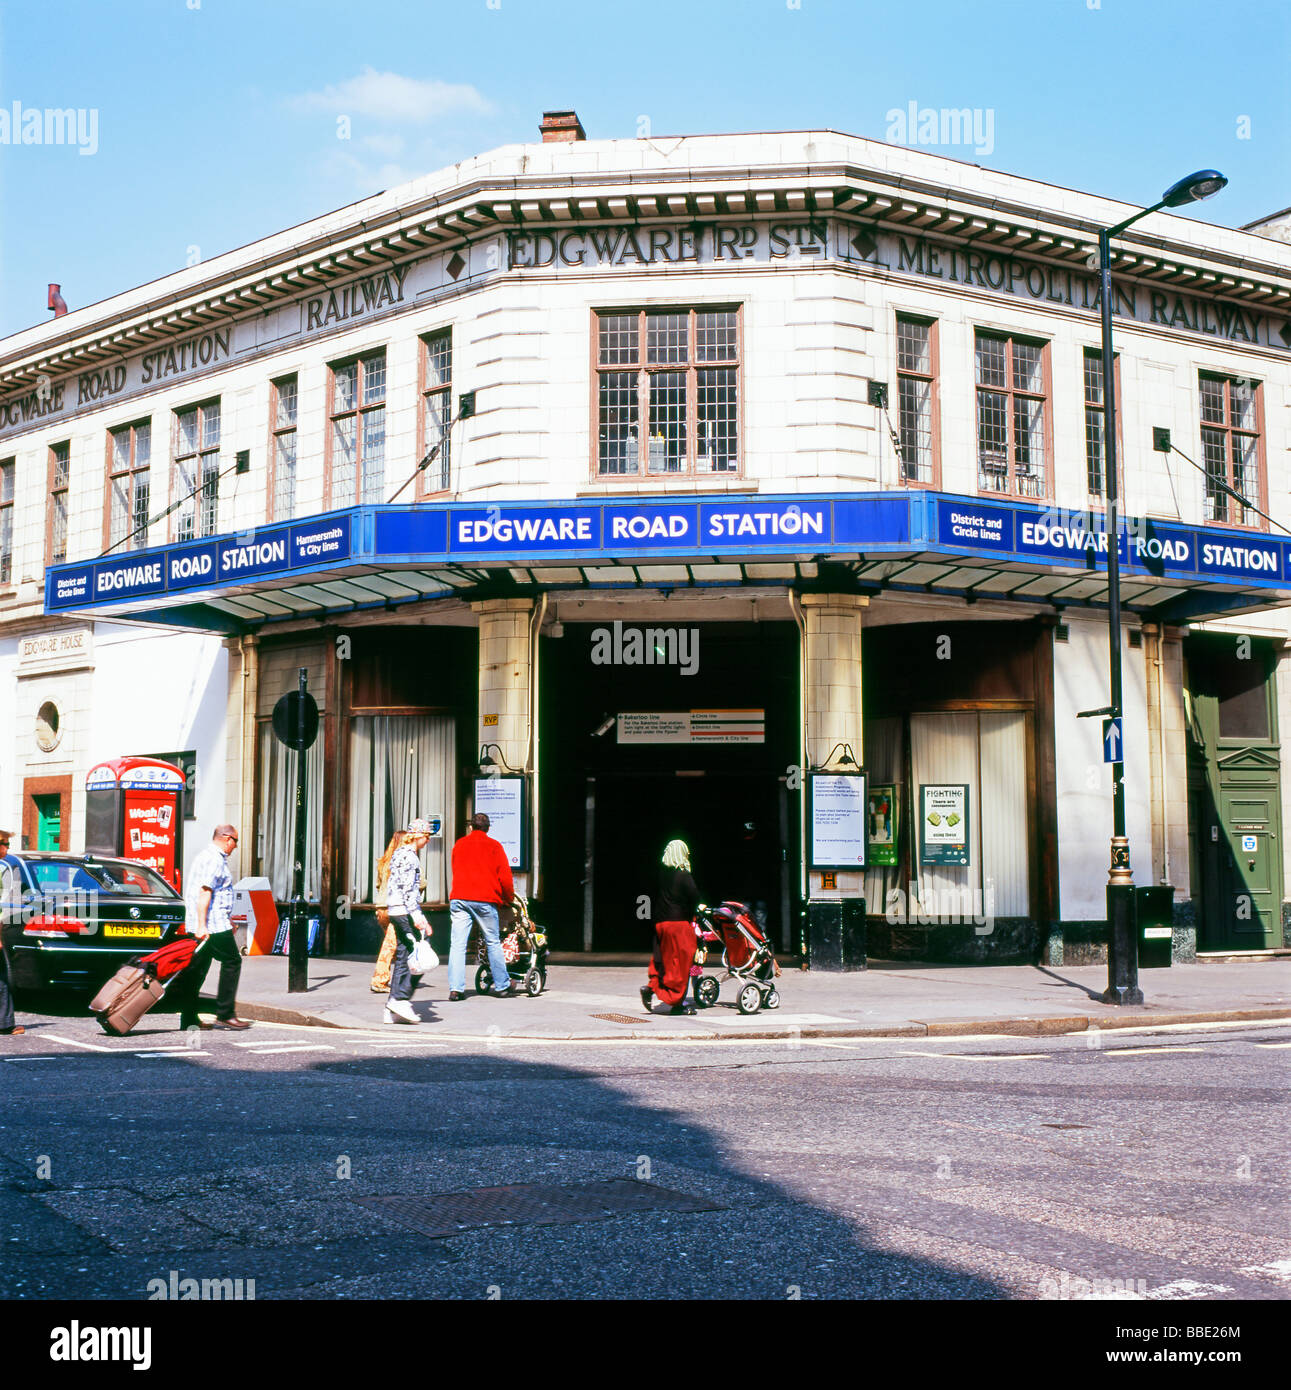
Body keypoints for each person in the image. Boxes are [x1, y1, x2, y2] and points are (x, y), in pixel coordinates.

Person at [172, 824, 250, 1031]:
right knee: (233, 962)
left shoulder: (203, 856)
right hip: (211, 926)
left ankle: (188, 1018)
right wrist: (201, 925)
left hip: (208, 922)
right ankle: (225, 1014)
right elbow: (204, 894)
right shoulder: (215, 859)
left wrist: (228, 920)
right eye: (236, 841)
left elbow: (214, 895)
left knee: (196, 971)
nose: (235, 846)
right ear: (227, 838)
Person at [447, 812, 515, 1000]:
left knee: (458, 944)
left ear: (471, 827)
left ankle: (456, 989)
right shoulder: (494, 846)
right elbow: (505, 878)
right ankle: (502, 986)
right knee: (492, 941)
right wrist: (508, 899)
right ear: (488, 828)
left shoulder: (459, 844)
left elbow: (455, 868)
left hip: (460, 898)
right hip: (485, 899)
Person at [642, 839, 700, 1016]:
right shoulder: (683, 875)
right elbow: (695, 897)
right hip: (678, 924)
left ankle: (651, 988)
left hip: (660, 923)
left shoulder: (662, 874)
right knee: (681, 963)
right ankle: (677, 1003)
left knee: (663, 960)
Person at [383, 819, 434, 1024]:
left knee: (405, 953)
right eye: (427, 836)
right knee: (421, 954)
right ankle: (401, 998)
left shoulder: (398, 853)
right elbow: (408, 891)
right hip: (405, 910)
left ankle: (392, 1007)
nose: (428, 841)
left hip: (395, 910)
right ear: (418, 836)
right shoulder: (410, 858)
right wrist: (419, 918)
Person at [369, 831, 411, 994]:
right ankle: (379, 980)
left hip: (381, 907)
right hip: (395, 907)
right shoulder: (406, 859)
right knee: (391, 945)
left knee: (395, 942)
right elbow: (420, 882)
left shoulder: (384, 862)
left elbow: (378, 885)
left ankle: (401, 976)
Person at [0, 830, 24, 1036]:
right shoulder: (5, 868)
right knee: (1, 976)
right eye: (5, 844)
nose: (7, 849)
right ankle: (4, 1023)